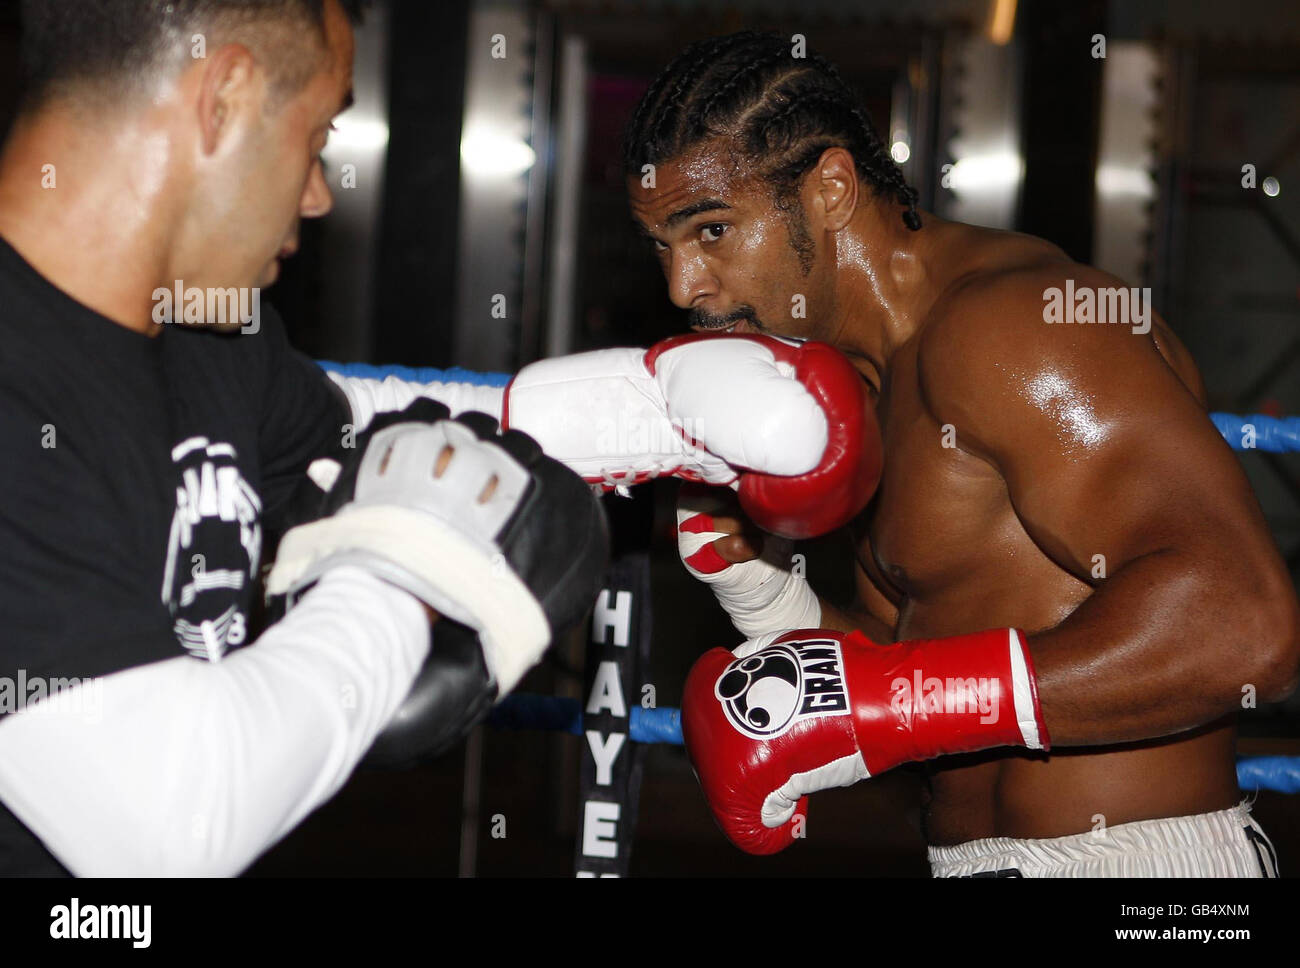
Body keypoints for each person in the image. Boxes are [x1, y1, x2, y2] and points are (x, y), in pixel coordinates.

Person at [0, 3, 870, 875]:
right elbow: (167, 826)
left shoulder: (203, 334)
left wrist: (650, 407)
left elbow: (371, 430)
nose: (318, 192)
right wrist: (403, 567)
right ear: (224, 94)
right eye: (317, 137)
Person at [626, 31, 1300, 877]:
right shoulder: (854, 394)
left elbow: (1244, 625)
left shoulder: (1012, 325)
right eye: (663, 244)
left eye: (712, 230)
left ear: (831, 188)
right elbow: (916, 665)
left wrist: (901, 703)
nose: (683, 286)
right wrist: (766, 596)